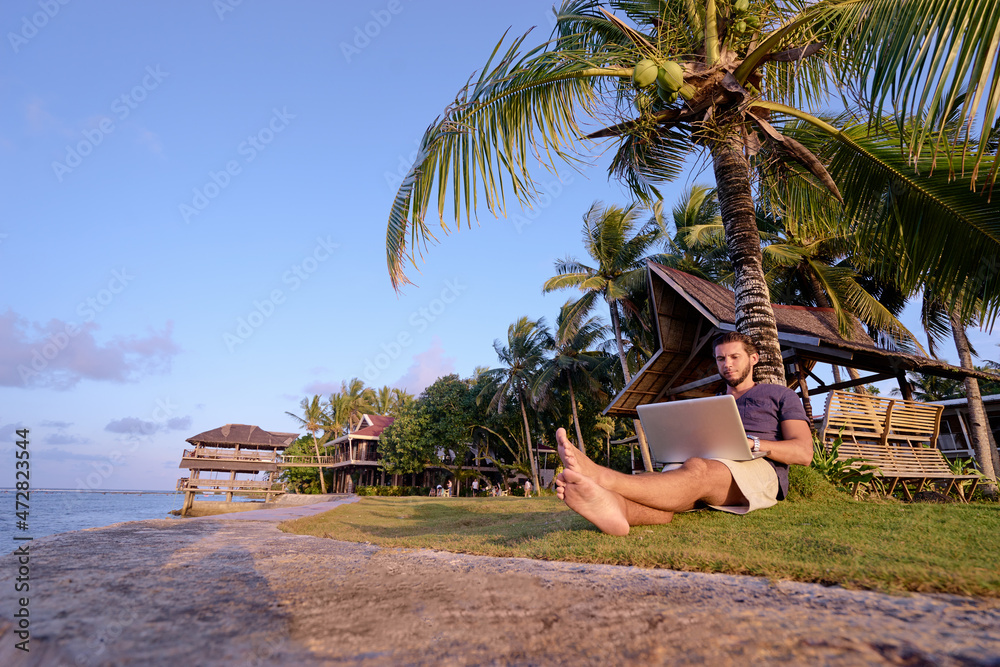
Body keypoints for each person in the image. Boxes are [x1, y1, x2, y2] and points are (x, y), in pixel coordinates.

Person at [555, 332, 812, 536]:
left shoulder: (780, 395)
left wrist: (752, 443)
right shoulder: (711, 403)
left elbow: (803, 453)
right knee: (664, 486)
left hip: (759, 468)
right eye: (721, 359)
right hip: (707, 464)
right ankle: (617, 508)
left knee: (697, 468)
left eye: (735, 357)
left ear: (753, 358)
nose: (727, 364)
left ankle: (604, 478)